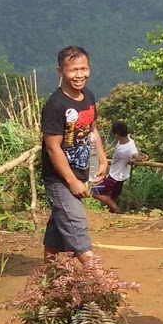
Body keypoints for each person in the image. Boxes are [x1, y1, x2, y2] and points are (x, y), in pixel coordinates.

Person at [40, 45, 106, 262]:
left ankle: (48, 273)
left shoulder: (88, 96)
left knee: (59, 224)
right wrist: (72, 181)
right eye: (73, 70)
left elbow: (92, 130)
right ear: (61, 72)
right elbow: (53, 147)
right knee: (76, 223)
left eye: (84, 69)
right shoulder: (55, 105)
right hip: (60, 178)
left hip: (80, 171)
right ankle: (99, 281)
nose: (80, 75)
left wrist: (101, 159)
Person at [90, 120, 146, 214]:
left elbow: (136, 155)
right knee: (114, 195)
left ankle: (116, 208)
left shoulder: (128, 147)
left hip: (114, 176)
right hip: (120, 175)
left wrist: (141, 158)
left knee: (95, 192)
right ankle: (113, 212)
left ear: (116, 134)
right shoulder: (128, 141)